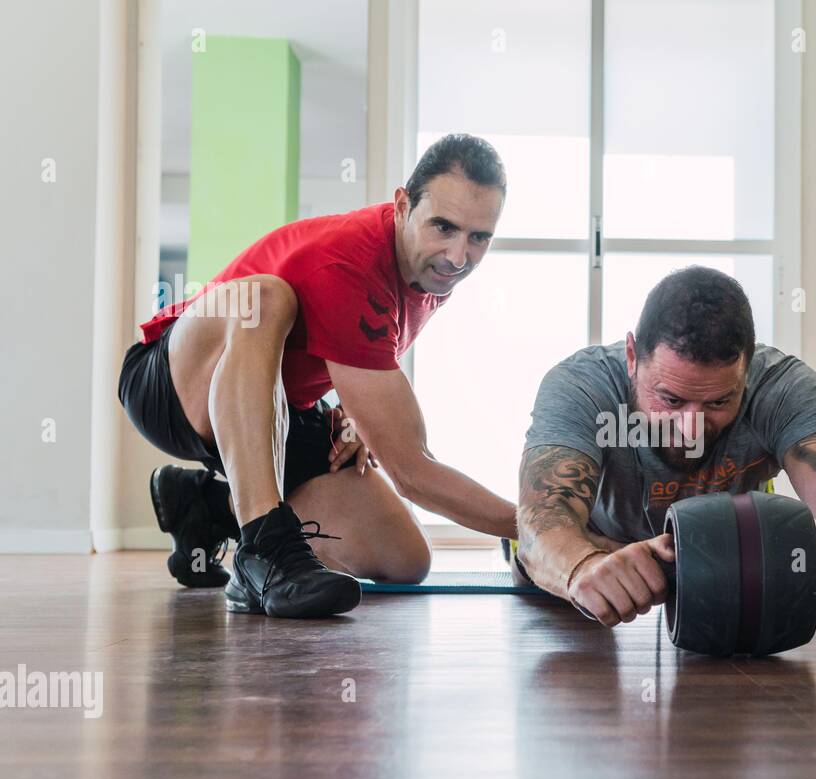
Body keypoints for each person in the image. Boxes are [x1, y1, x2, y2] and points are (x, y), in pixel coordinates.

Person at [118, 134, 518, 618]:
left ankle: (207, 506)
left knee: (405, 557)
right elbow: (412, 471)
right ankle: (262, 553)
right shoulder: (351, 260)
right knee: (264, 299)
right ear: (402, 205)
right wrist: (542, 527)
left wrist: (357, 414)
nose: (458, 255)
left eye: (479, 237)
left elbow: (357, 348)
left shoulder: (429, 272)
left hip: (284, 407)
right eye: (443, 227)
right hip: (172, 383)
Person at [516, 266, 816, 628]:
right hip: (596, 548)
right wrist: (581, 566)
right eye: (670, 400)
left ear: (748, 368)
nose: (691, 429)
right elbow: (546, 512)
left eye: (717, 402)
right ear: (632, 357)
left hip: (725, 559)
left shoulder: (782, 387)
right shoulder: (580, 385)